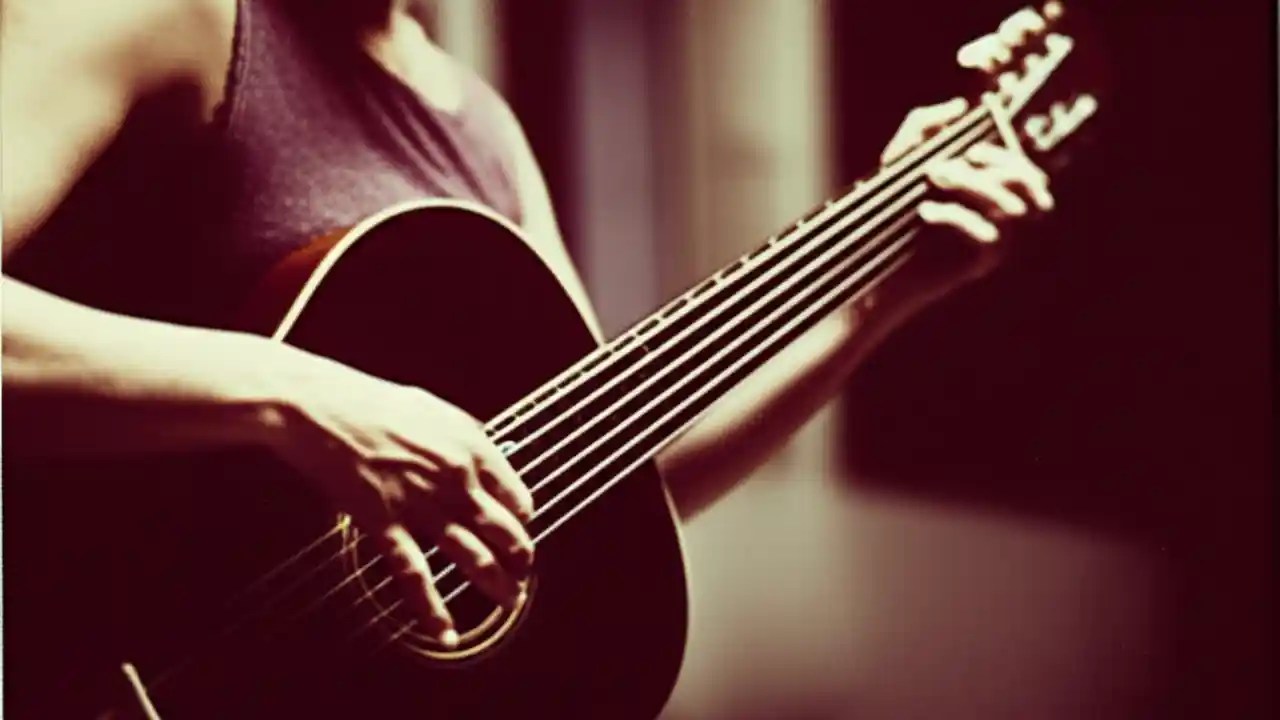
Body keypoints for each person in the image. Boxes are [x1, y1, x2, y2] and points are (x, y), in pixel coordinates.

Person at [1, 0, 1054, 649]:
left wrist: (876, 303)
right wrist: (300, 399)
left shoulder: (482, 129)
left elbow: (595, 478)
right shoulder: (159, 15)